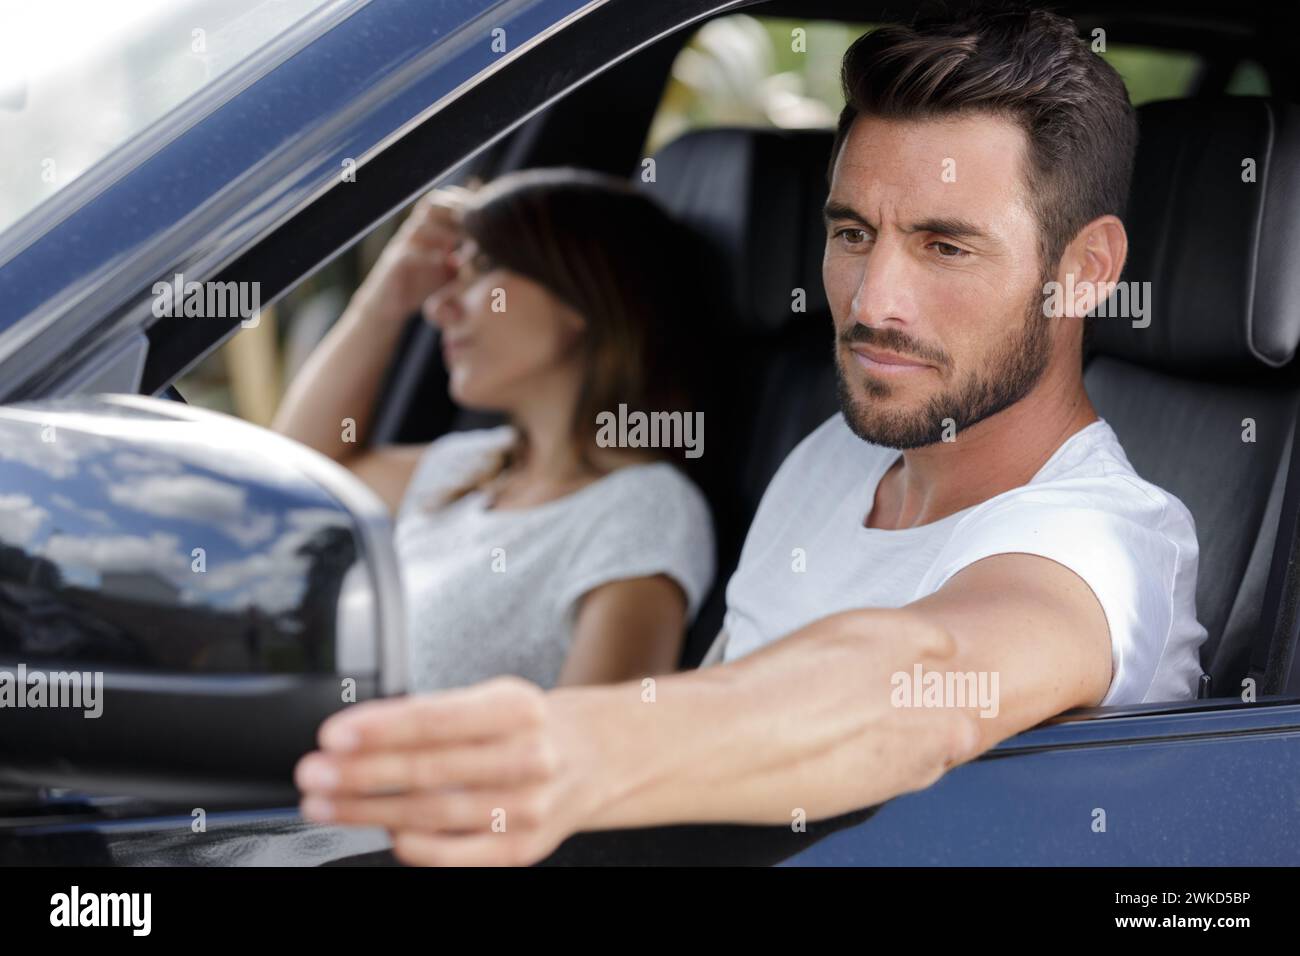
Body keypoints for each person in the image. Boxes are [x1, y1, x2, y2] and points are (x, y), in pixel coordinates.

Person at [293, 7, 1209, 866]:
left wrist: (576, 740)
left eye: (946, 247)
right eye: (853, 233)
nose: (872, 302)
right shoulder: (834, 457)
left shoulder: (1102, 544)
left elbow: (917, 684)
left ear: (1085, 271)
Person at [274, 169, 716, 691]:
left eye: (480, 270)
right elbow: (293, 482)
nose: (439, 308)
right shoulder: (467, 467)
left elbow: (594, 747)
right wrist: (384, 301)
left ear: (579, 295)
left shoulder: (644, 510)